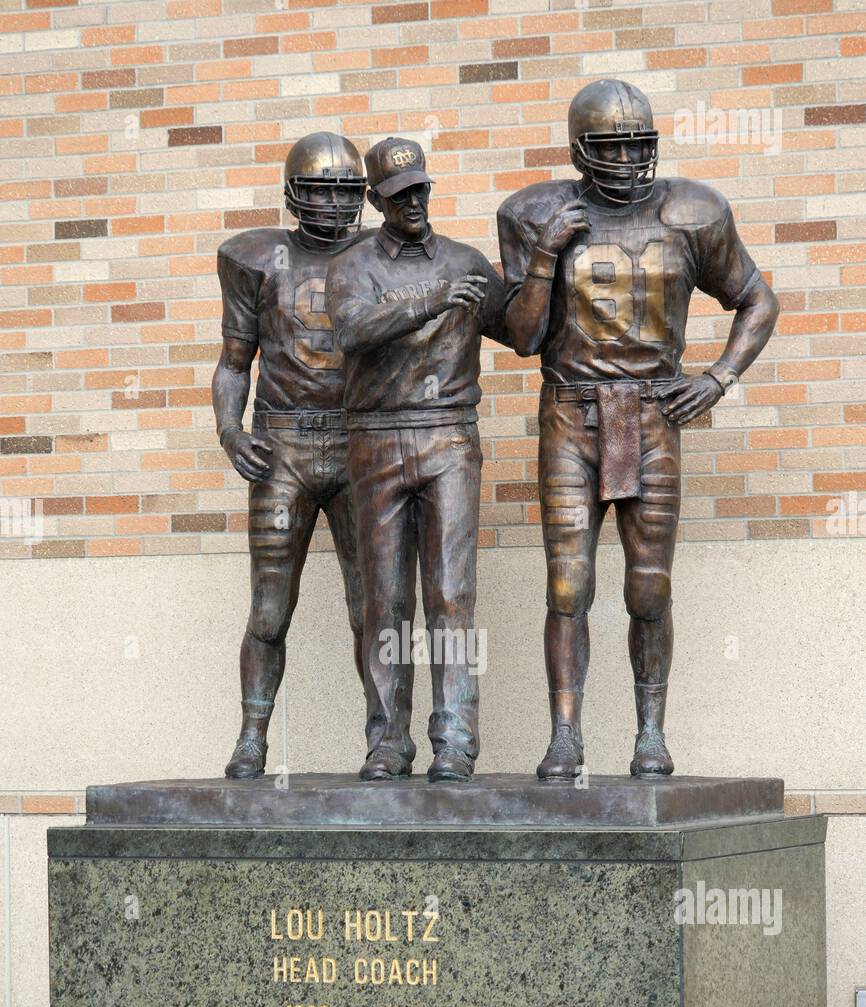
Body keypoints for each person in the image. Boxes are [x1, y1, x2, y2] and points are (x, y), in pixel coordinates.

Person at [497, 79, 779, 780]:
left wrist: (717, 377)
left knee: (649, 586)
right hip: (572, 412)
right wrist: (543, 258)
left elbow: (756, 300)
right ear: (579, 151)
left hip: (651, 414)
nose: (625, 159)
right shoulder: (535, 213)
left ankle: (651, 731)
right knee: (568, 583)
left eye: (636, 144)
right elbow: (523, 338)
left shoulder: (694, 211)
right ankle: (566, 734)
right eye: (611, 146)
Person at [324, 138, 509, 783]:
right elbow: (350, 331)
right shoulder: (352, 265)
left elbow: (526, 331)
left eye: (422, 189)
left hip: (448, 438)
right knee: (384, 599)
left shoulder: (465, 261)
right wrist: (430, 300)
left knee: (451, 594)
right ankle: (387, 741)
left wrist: (538, 264)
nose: (415, 202)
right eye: (401, 194)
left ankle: (455, 738)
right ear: (376, 199)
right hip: (374, 437)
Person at [212, 132, 368, 779]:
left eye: (345, 191)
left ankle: (383, 742)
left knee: (378, 606)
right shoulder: (257, 260)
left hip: (362, 442)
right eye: (321, 190)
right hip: (284, 447)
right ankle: (253, 734)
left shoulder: (385, 257)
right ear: (294, 195)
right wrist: (229, 428)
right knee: (270, 606)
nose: (332, 205)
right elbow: (231, 364)